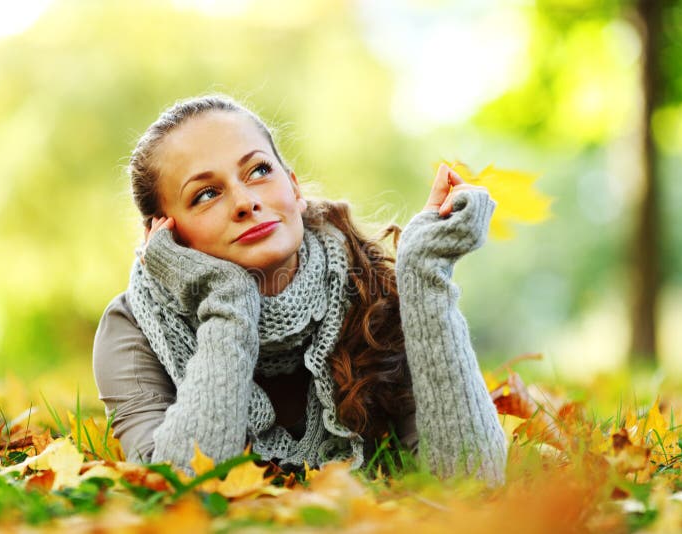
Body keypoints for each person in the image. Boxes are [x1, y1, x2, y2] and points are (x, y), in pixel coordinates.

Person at [92, 94, 507, 485]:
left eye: (258, 171)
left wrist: (427, 272)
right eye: (205, 194)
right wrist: (227, 301)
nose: (244, 201)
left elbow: (473, 480)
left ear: (294, 188)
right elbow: (179, 488)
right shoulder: (132, 328)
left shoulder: (373, 292)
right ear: (163, 237)